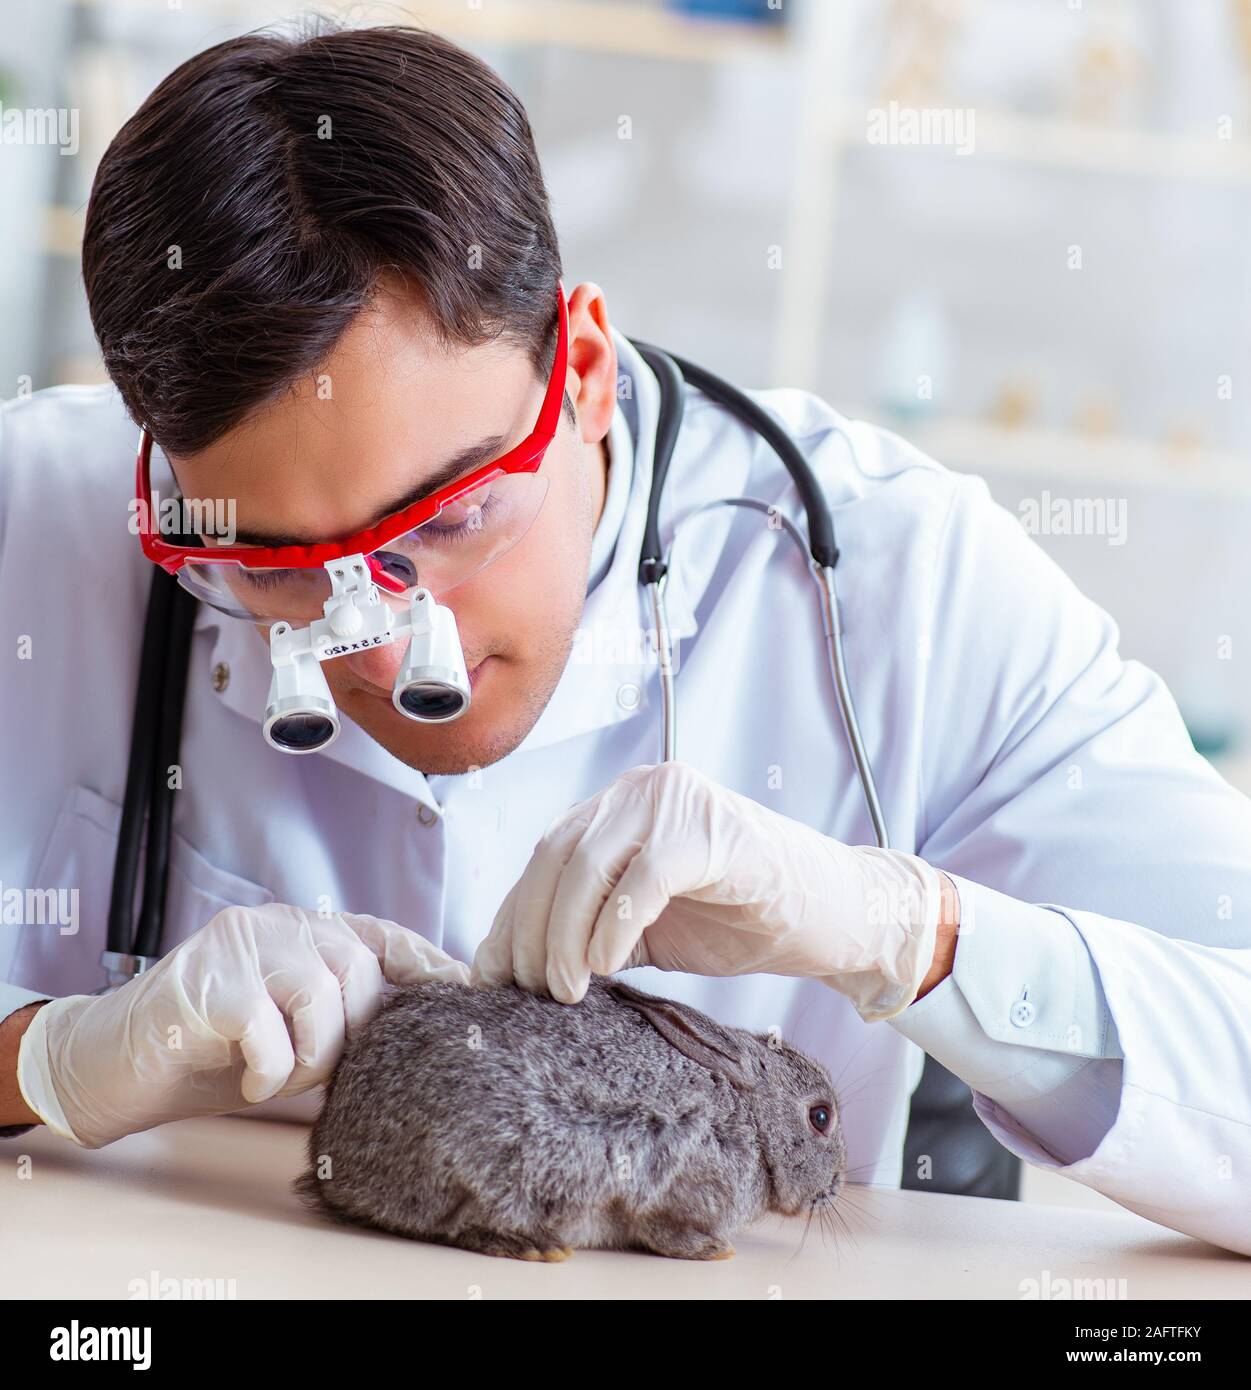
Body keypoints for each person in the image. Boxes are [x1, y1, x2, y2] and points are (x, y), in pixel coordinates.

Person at [1, 23, 1248, 1256]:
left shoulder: (902, 579)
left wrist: (909, 935)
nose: (382, 656)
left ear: (583, 368)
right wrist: (51, 1058)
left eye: (453, 518)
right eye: (273, 573)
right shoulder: (29, 517)